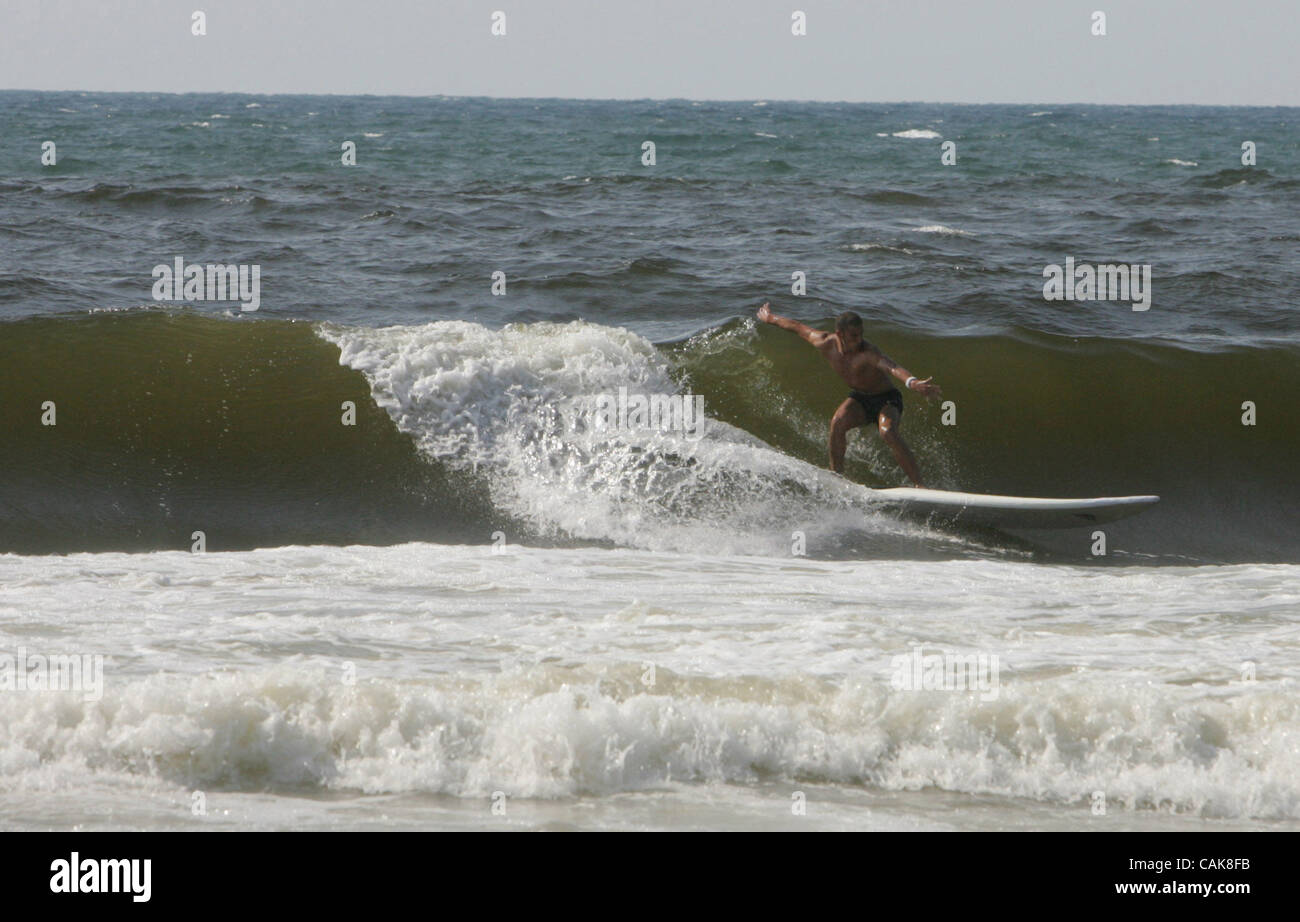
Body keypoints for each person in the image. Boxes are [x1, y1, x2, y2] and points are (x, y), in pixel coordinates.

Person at [756, 302, 941, 487]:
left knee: (888, 433)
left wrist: (913, 382)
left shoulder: (868, 352)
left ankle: (919, 485)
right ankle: (836, 478)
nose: (859, 339)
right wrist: (770, 318)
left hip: (887, 398)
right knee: (837, 423)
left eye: (861, 334)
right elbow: (797, 327)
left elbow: (891, 366)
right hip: (861, 398)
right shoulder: (823, 341)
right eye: (854, 336)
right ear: (839, 334)